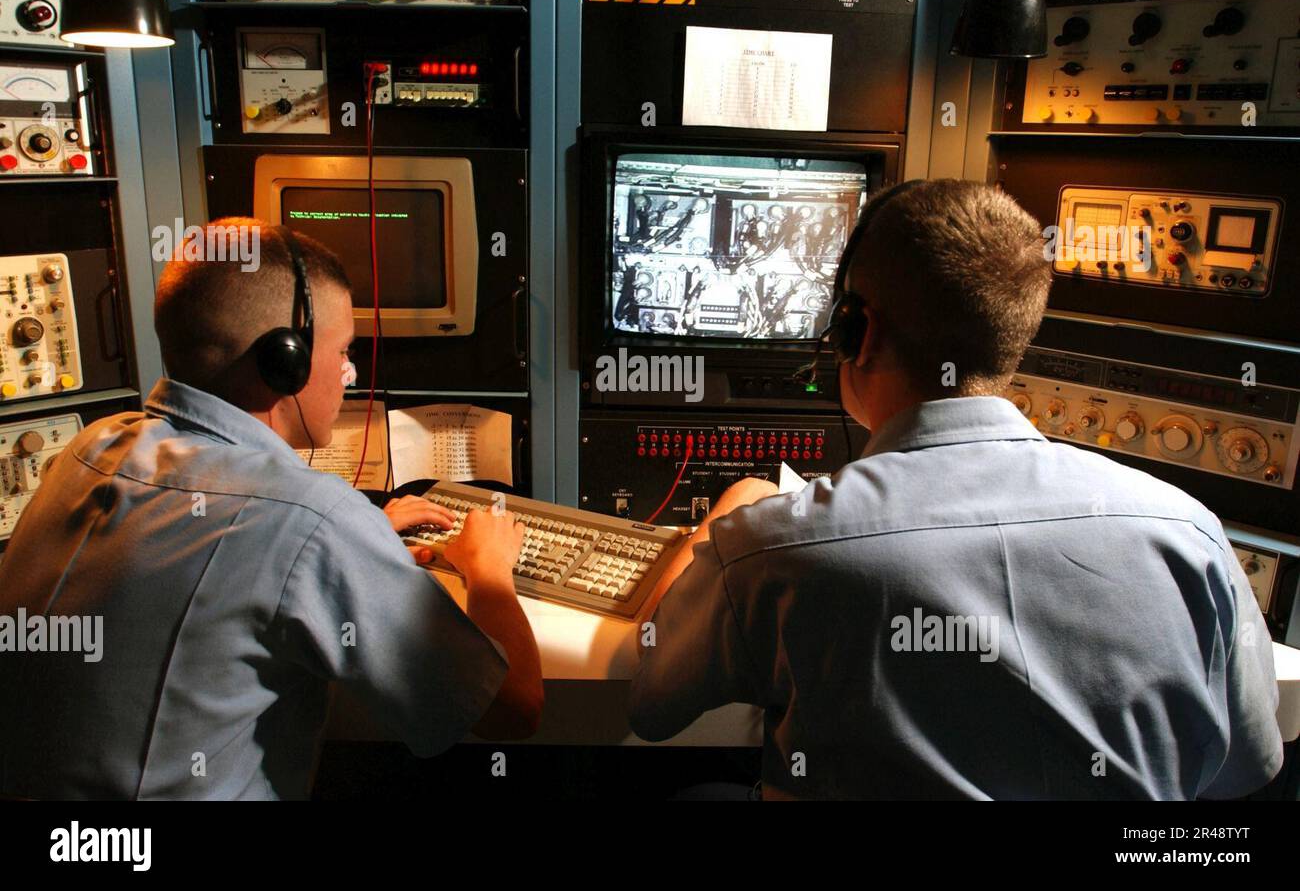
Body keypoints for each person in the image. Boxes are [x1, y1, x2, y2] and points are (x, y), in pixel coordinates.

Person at [628, 180, 1283, 800]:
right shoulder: (1191, 535)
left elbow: (653, 701)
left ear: (860, 332)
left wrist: (721, 523)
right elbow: (1250, 765)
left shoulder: (771, 545)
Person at [0, 218, 542, 800]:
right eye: (342, 351)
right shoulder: (306, 517)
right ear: (284, 362)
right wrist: (488, 571)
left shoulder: (92, 445)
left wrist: (349, 545)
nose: (349, 374)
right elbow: (511, 709)